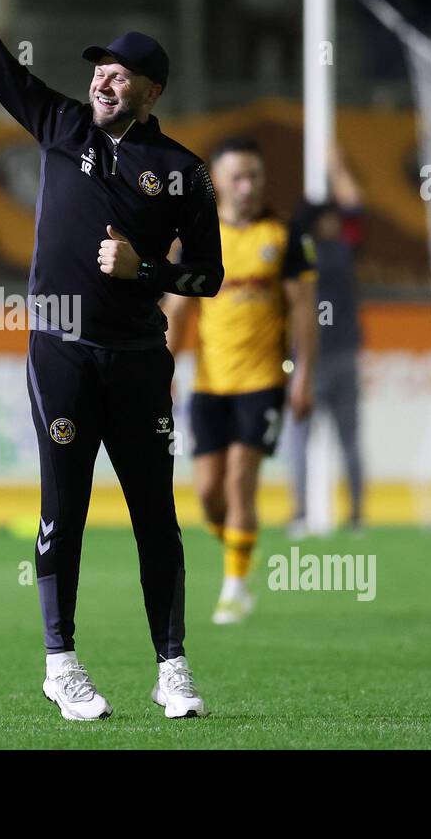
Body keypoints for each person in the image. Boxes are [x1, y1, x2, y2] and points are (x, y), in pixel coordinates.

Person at [0, 0, 223, 720]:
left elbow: (208, 277)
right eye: (98, 68)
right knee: (65, 507)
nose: (102, 79)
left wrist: (143, 273)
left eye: (120, 72)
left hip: (140, 358)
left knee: (157, 515)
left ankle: (172, 668)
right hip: (60, 351)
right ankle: (61, 663)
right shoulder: (59, 125)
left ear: (150, 90)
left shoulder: (183, 171)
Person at [165, 138, 316, 625]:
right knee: (208, 493)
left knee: (240, 478)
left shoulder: (284, 236)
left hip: (264, 379)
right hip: (209, 384)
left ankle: (235, 588)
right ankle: (236, 545)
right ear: (218, 181)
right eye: (238, 177)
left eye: (255, 176)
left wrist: (303, 376)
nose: (247, 186)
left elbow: (303, 309)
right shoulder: (197, 239)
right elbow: (180, 309)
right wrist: (160, 369)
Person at [287, 147, 367, 535]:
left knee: (304, 441)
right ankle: (352, 516)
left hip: (314, 358)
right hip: (326, 357)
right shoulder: (340, 251)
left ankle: (304, 514)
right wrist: (336, 166)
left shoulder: (299, 254)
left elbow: (353, 208)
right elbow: (354, 206)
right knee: (343, 439)